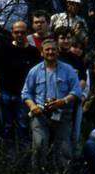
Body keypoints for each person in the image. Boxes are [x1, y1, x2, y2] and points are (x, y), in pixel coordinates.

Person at [21, 32, 80, 164]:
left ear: (58, 52)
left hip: (63, 115)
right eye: (47, 50)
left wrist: (62, 101)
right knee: (39, 145)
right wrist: (32, 106)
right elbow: (25, 93)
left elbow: (76, 91)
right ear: (42, 52)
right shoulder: (34, 71)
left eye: (53, 49)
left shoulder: (68, 70)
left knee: (64, 150)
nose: (50, 52)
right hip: (40, 115)